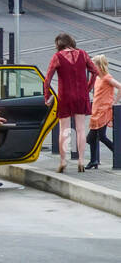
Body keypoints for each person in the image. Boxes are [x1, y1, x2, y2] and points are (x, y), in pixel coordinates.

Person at [45, 33, 100, 173]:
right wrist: (87, 88)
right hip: (81, 95)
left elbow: (48, 79)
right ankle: (81, 160)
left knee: (64, 129)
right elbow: (95, 71)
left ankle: (63, 161)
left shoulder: (57, 57)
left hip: (65, 96)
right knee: (81, 129)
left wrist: (47, 96)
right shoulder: (83, 54)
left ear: (59, 44)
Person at [87, 55, 118, 169]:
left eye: (93, 65)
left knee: (100, 137)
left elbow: (120, 86)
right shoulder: (97, 78)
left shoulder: (106, 78)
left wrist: (115, 102)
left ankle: (118, 153)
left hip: (103, 111)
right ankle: (94, 161)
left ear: (99, 66)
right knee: (92, 138)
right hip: (96, 111)